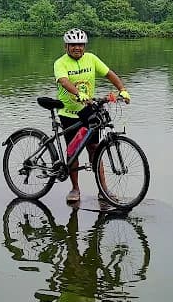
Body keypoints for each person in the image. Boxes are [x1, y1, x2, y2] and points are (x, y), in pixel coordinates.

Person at [54, 28, 130, 203]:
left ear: (84, 46)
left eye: (80, 44)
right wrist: (77, 93)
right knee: (73, 152)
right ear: (66, 46)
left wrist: (123, 90)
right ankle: (75, 189)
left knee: (94, 148)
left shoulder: (92, 59)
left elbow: (109, 74)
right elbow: (64, 81)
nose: (77, 48)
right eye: (73, 44)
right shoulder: (60, 63)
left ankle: (103, 190)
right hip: (69, 113)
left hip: (88, 110)